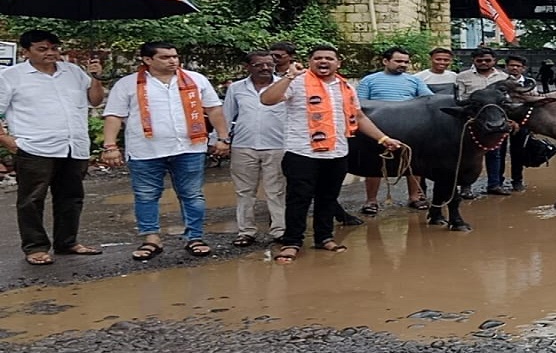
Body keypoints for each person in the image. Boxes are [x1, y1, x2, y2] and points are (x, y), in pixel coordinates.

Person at [260, 45, 404, 264]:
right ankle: (292, 242)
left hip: (337, 152)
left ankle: (324, 237)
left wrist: (383, 138)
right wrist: (289, 76)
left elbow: (359, 117)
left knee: (328, 198)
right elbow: (266, 99)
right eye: (318, 58)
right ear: (310, 61)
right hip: (302, 152)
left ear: (338, 63)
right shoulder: (296, 82)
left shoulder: (346, 87)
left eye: (329, 58)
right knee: (299, 199)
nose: (323, 61)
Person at [102, 41, 231, 261]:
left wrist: (222, 137)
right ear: (147, 60)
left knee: (192, 195)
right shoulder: (128, 84)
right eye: (165, 57)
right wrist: (110, 146)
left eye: (174, 56)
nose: (173, 60)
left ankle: (195, 237)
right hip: (145, 151)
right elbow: (114, 115)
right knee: (146, 196)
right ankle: (151, 238)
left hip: (189, 148)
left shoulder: (195, 80)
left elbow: (214, 109)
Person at [0, 30, 105, 265]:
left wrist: (97, 77)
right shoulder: (11, 76)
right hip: (34, 147)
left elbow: (95, 100)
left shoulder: (73, 71)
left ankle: (67, 242)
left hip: (73, 145)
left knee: (71, 196)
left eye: (54, 48)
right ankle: (35, 247)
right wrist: (6, 139)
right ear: (26, 52)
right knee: (31, 200)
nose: (50, 53)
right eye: (42, 49)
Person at [222, 51, 287, 247]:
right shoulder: (236, 88)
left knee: (276, 191)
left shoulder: (284, 85)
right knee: (244, 192)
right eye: (259, 65)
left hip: (278, 145)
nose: (265, 68)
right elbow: (226, 115)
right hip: (243, 146)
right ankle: (246, 232)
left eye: (269, 64)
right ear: (247, 67)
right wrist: (221, 140)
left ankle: (280, 230)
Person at [357, 47, 432, 213]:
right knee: (374, 164)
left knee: (413, 163)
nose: (403, 65)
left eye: (406, 62)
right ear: (385, 61)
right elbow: (359, 106)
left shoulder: (415, 81)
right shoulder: (369, 80)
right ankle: (371, 201)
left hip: (410, 128)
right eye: (398, 61)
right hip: (377, 129)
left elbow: (428, 101)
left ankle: (414, 197)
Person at [456, 47, 514, 194]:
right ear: (473, 61)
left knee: (496, 153)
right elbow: (460, 99)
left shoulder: (503, 77)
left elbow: (508, 101)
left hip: (496, 119)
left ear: (494, 61)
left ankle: (495, 184)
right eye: (479, 60)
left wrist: (510, 120)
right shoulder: (463, 76)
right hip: (474, 121)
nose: (483, 63)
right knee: (467, 154)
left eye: (487, 60)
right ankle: (466, 187)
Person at [501, 55, 537, 191]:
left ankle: (517, 180)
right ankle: (497, 181)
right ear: (506, 67)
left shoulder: (529, 82)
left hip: (523, 120)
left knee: (518, 151)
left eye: (518, 66)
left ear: (523, 68)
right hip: (502, 119)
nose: (515, 68)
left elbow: (534, 99)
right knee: (499, 151)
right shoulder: (500, 82)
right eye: (512, 65)